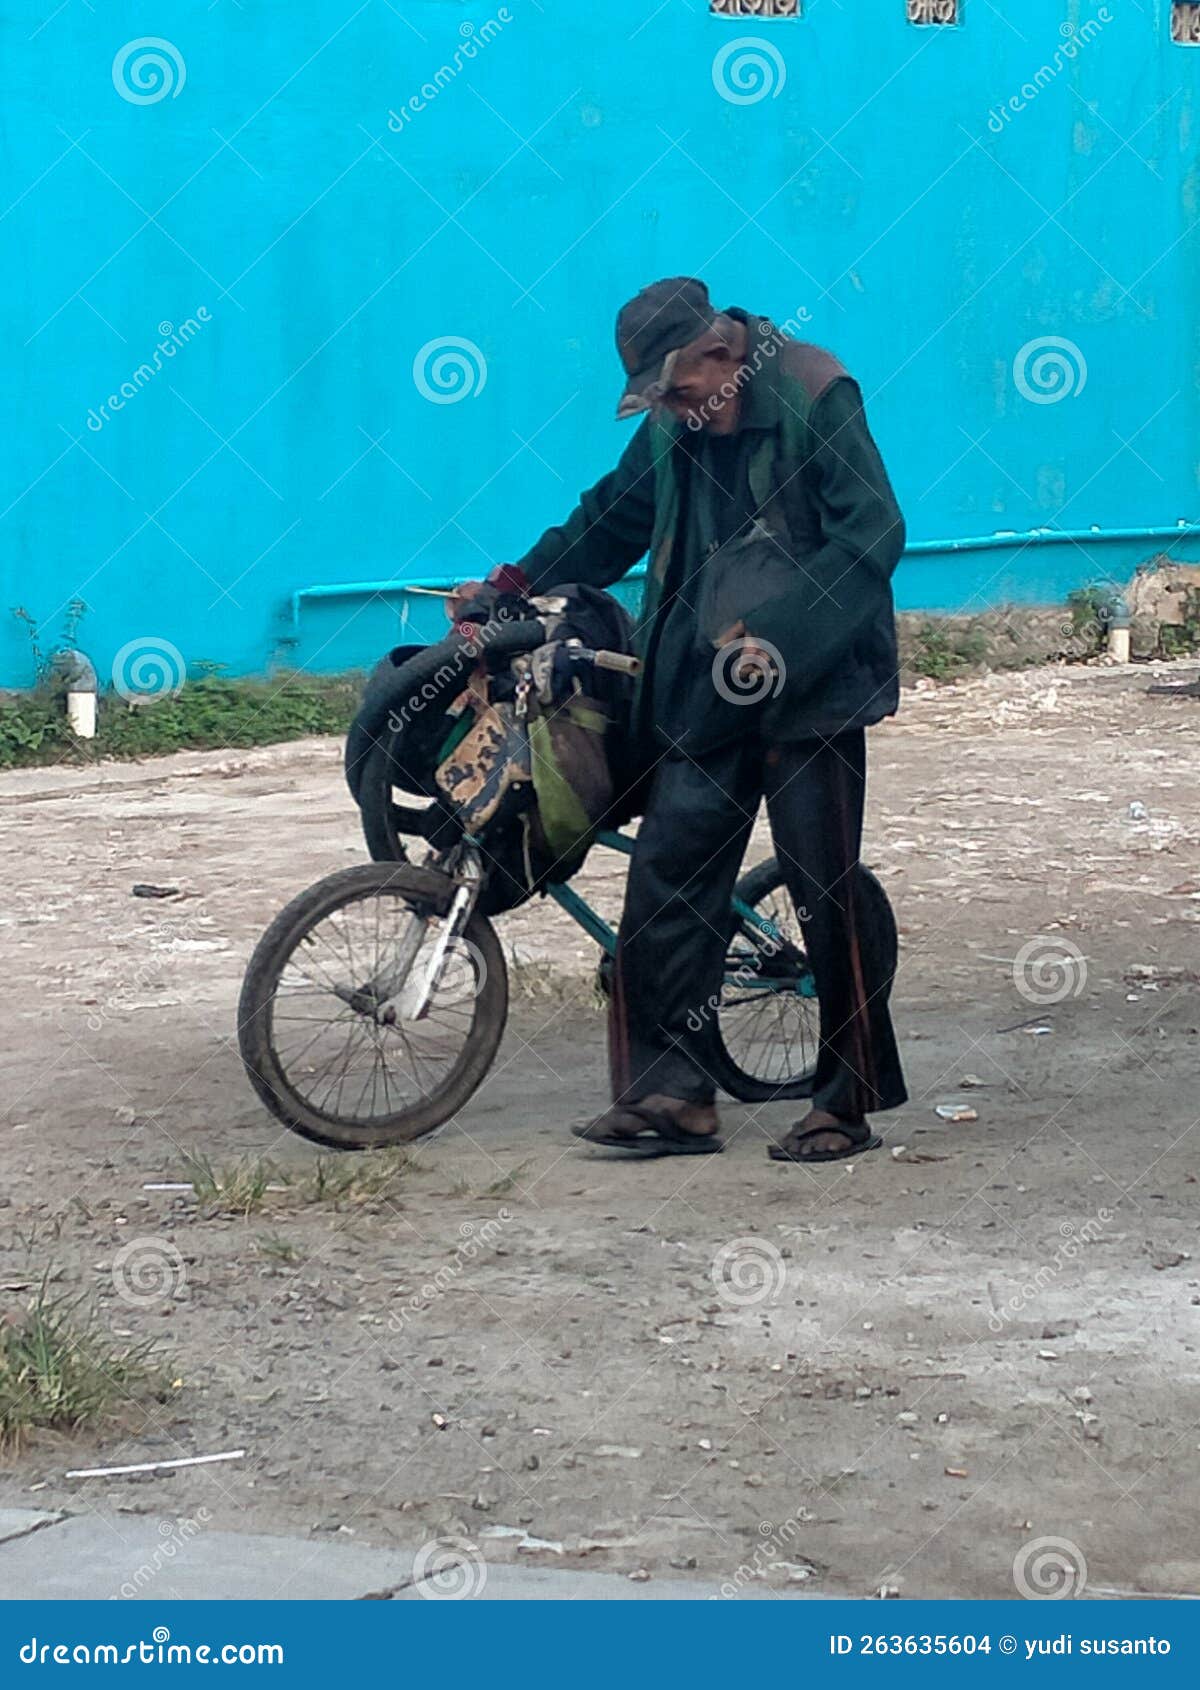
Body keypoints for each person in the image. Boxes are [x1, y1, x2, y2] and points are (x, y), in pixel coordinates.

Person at [505, 276, 908, 1162]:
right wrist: (514, 584)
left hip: (813, 689)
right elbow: (610, 520)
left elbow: (870, 535)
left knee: (823, 891)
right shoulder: (673, 424)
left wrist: (780, 646)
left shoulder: (812, 390)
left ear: (723, 357)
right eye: (663, 401)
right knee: (667, 879)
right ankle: (673, 1093)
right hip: (706, 684)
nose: (679, 413)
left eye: (684, 395)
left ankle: (844, 1104)